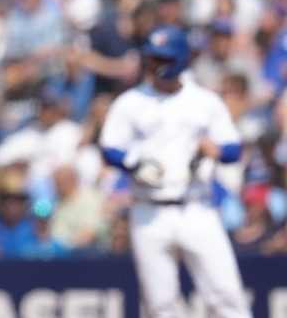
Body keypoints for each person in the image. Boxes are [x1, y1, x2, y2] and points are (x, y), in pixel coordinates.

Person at [99, 26, 250, 318]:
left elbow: (233, 148)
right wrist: (133, 163)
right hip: (148, 211)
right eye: (153, 58)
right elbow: (109, 148)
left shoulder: (203, 101)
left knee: (226, 297)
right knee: (160, 306)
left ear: (181, 59)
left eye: (163, 59)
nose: (156, 65)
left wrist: (214, 150)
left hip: (197, 206)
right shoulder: (131, 102)